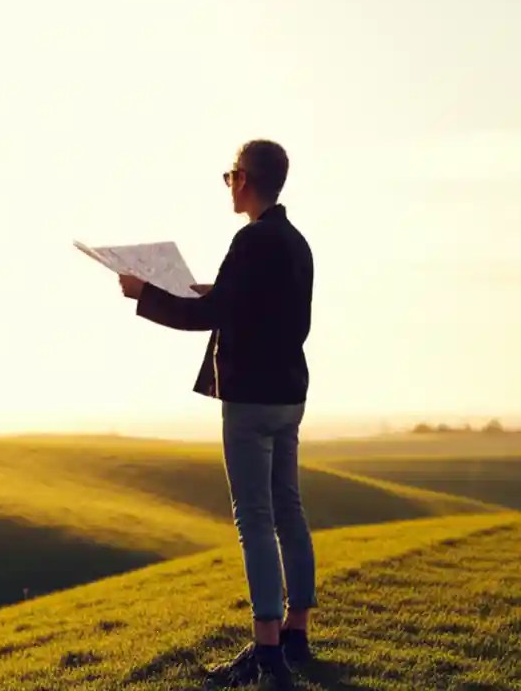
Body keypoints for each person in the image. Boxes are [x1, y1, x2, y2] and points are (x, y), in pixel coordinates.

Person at [117, 140, 315, 691]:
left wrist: (145, 293)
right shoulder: (296, 242)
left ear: (246, 180)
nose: (228, 184)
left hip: (251, 400)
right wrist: (219, 291)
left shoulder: (251, 240)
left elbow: (209, 316)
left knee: (253, 520)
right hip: (289, 395)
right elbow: (257, 305)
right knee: (288, 513)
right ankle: (296, 633)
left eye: (231, 175)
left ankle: (268, 652)